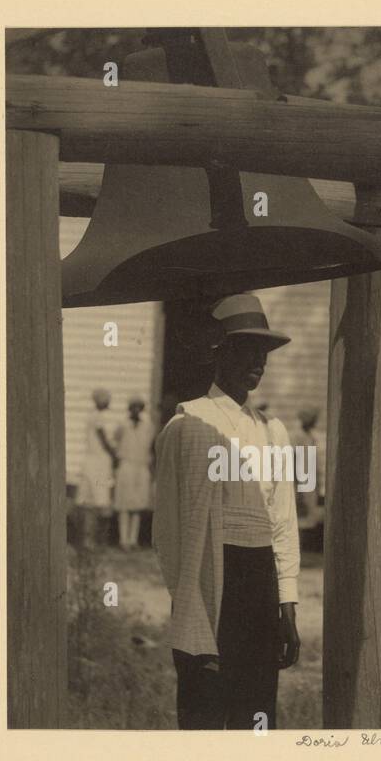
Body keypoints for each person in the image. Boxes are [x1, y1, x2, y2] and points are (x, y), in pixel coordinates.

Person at [153, 293, 301, 730]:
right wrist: (191, 604)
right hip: (210, 574)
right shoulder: (189, 425)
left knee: (255, 704)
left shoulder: (273, 432)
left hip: (259, 580)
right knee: (205, 701)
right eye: (245, 348)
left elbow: (283, 520)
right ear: (219, 353)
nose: (258, 361)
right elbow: (169, 528)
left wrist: (286, 606)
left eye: (264, 352)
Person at [77, 388, 118, 548]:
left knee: (89, 500)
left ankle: (89, 540)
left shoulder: (93, 415)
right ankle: (99, 539)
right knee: (100, 499)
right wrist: (114, 454)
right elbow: (103, 440)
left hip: (91, 460)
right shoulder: (98, 417)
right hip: (99, 461)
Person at [113, 395, 154, 550]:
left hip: (141, 465)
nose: (136, 410)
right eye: (133, 407)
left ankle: (133, 540)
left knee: (137, 504)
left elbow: (150, 446)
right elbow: (116, 442)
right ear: (129, 409)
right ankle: (123, 540)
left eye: (139, 407)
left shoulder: (148, 426)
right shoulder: (122, 425)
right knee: (124, 503)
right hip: (126, 464)